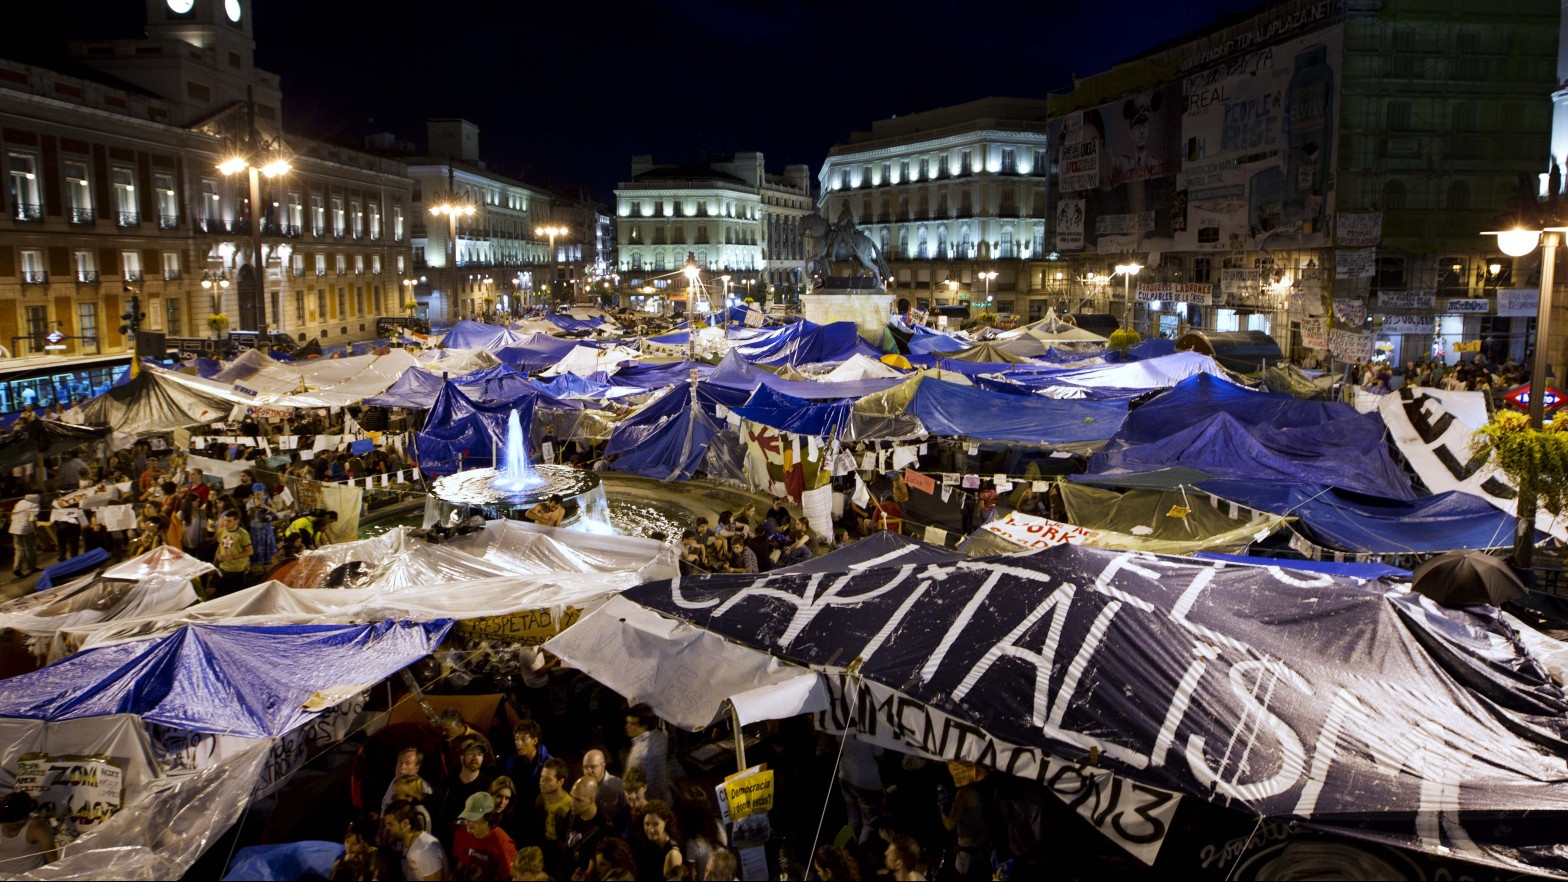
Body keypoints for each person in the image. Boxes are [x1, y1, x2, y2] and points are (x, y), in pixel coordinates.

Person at [453, 792, 518, 882]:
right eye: (467, 816)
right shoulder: (461, 833)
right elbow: (461, 862)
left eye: (473, 817)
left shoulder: (503, 843)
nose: (468, 821)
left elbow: (515, 875)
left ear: (489, 817)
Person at [559, 777, 610, 879]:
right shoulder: (573, 814)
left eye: (578, 800)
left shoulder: (604, 828)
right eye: (572, 797)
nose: (572, 803)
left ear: (591, 799)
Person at [385, 803, 449, 882]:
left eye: (390, 824)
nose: (386, 829)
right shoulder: (404, 844)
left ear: (405, 824)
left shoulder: (426, 851)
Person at [624, 705, 671, 803]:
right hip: (665, 797)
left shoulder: (638, 756)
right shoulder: (660, 737)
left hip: (649, 803)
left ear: (644, 726)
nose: (627, 726)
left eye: (632, 724)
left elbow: (639, 787)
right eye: (627, 722)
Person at [0, 793, 55, 874]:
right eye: (6, 823)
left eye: (15, 824)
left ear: (24, 818)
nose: (10, 827)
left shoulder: (36, 826)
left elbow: (52, 858)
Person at [636, 801, 684, 882]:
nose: (651, 830)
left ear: (666, 822)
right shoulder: (646, 843)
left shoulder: (673, 854)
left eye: (656, 824)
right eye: (647, 824)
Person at [329, 817, 385, 882]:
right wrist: (342, 861)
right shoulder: (344, 858)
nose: (349, 847)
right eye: (347, 842)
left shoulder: (376, 857)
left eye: (355, 844)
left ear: (366, 843)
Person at [212, 510, 253, 596]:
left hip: (237, 570)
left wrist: (232, 557)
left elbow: (249, 551)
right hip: (223, 568)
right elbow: (220, 547)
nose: (226, 523)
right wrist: (214, 564)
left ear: (236, 521)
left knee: (235, 594)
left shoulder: (243, 534)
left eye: (229, 521)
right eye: (225, 520)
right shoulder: (222, 531)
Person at [581, 749, 627, 826]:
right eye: (585, 767)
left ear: (602, 766)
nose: (588, 771)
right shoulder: (581, 787)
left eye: (592, 767)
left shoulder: (619, 787)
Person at [534, 758, 572, 845]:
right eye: (541, 777)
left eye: (547, 780)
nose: (541, 782)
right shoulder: (541, 799)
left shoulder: (569, 806)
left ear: (560, 782)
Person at [9, 494, 39, 578]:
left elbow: (12, 515)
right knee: (30, 548)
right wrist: (35, 530)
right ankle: (31, 567)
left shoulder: (20, 502)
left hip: (14, 528)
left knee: (18, 549)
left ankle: (16, 568)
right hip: (26, 529)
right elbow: (33, 519)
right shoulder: (34, 505)